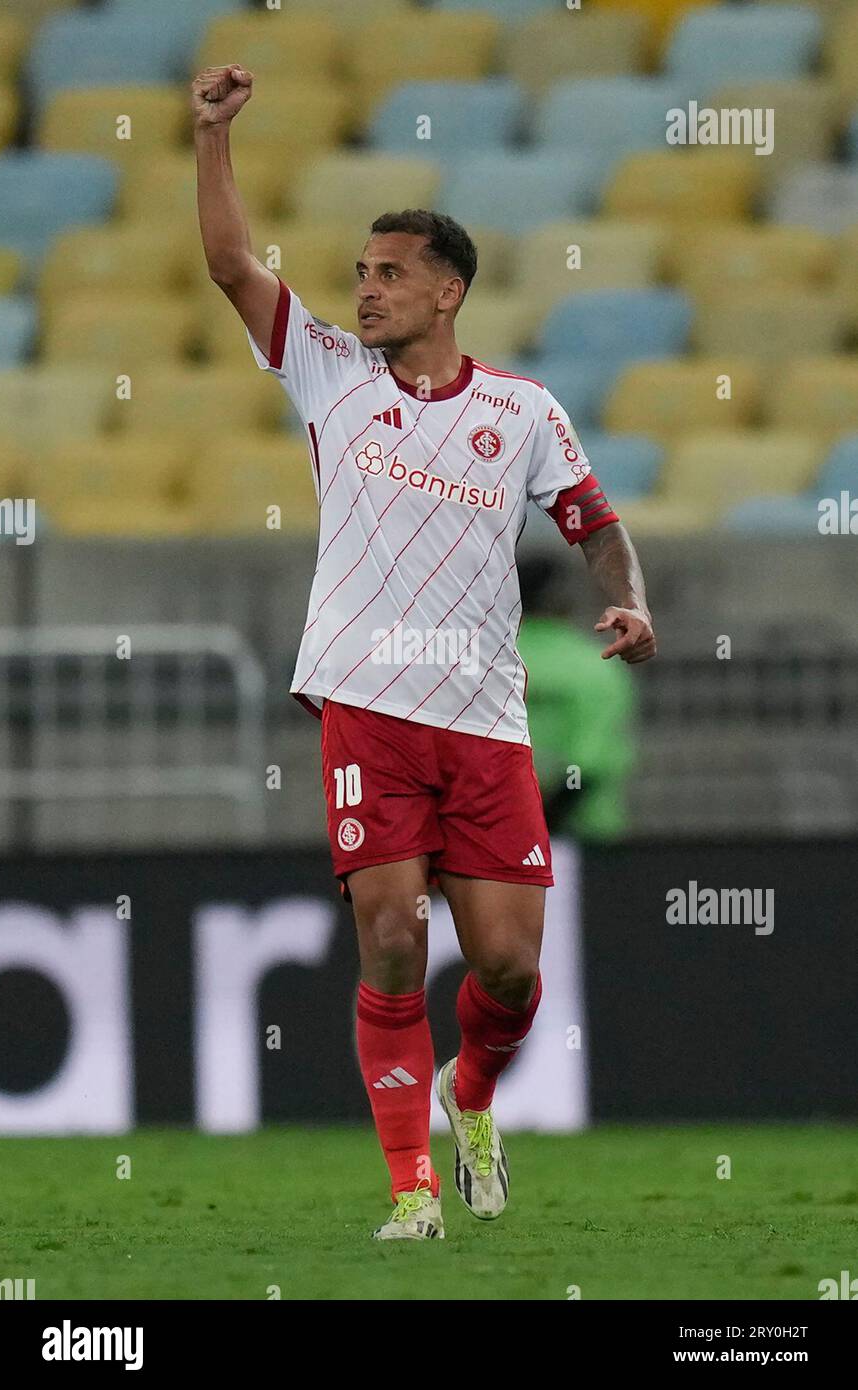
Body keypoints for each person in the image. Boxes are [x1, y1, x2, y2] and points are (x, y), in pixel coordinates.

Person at [192, 64, 656, 1241]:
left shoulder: (522, 411)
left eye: (389, 273)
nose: (365, 290)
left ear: (447, 292)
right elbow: (233, 269)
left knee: (504, 973)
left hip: (484, 719)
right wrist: (210, 140)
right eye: (358, 271)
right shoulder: (327, 375)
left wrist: (629, 601)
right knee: (393, 936)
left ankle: (471, 1094)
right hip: (363, 702)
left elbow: (592, 522)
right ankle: (409, 1187)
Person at [516, 555, 637, 841]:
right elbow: (592, 762)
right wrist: (546, 824)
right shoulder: (594, 666)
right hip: (583, 837)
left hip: (493, 835)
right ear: (565, 602)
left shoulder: (480, 663)